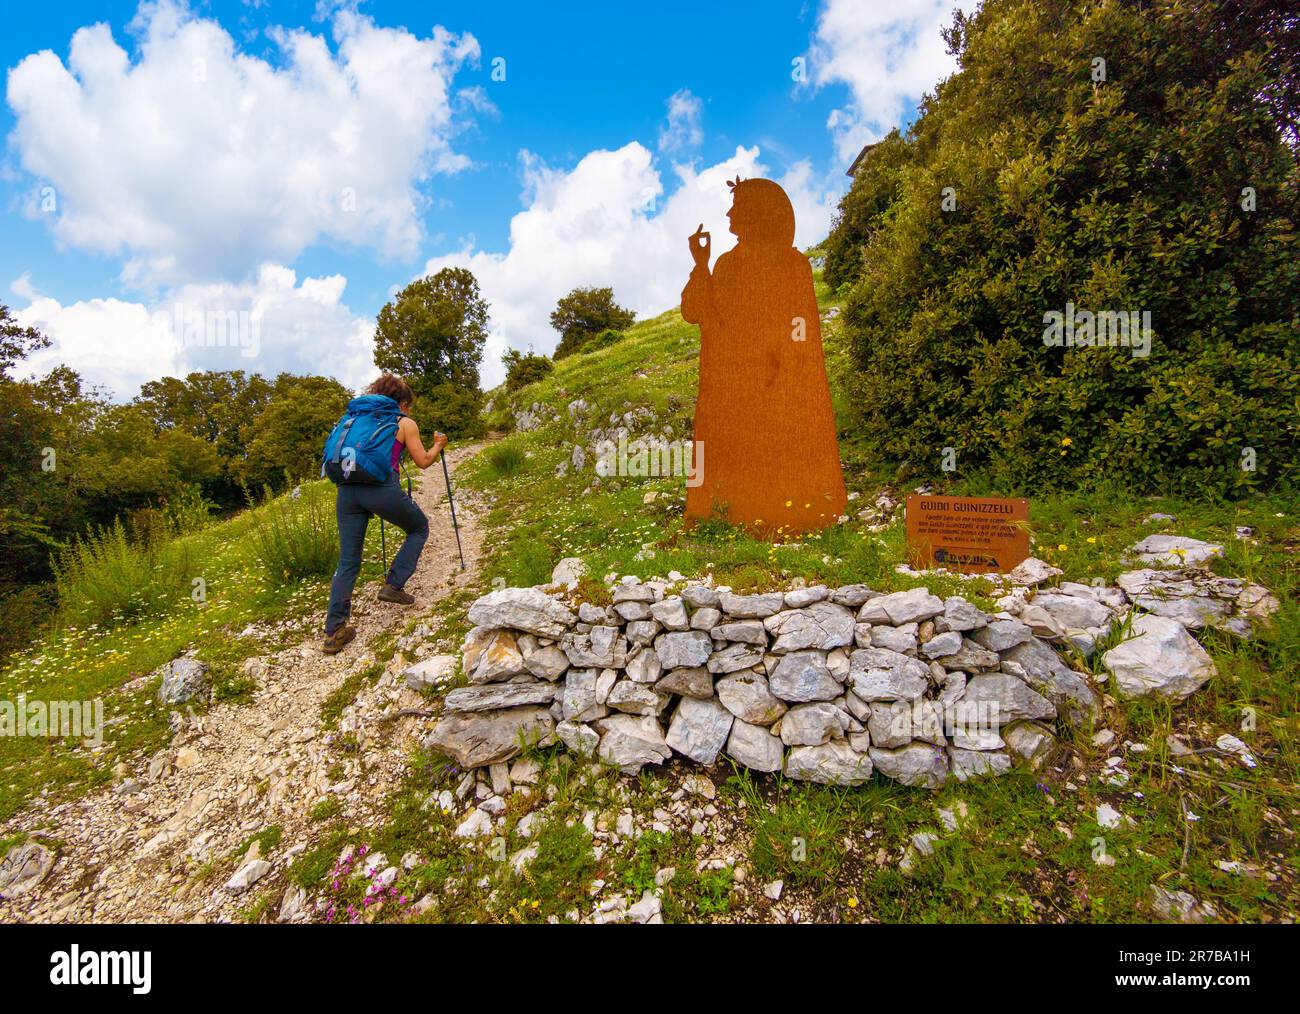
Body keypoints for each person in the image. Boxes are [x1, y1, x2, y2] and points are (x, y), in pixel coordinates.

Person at [681, 177, 847, 535]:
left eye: (737, 206)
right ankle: (722, 516)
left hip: (775, 384)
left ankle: (786, 515)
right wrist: (701, 264)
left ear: (756, 212)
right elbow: (696, 311)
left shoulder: (792, 265)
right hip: (731, 388)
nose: (729, 212)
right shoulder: (727, 265)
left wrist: (782, 365)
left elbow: (800, 327)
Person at [323, 374, 448, 654]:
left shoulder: (353, 420)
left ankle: (334, 631)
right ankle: (394, 584)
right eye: (410, 405)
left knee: (348, 562)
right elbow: (423, 461)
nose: (410, 411)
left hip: (346, 492)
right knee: (418, 528)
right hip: (380, 489)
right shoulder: (403, 423)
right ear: (402, 403)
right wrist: (439, 444)